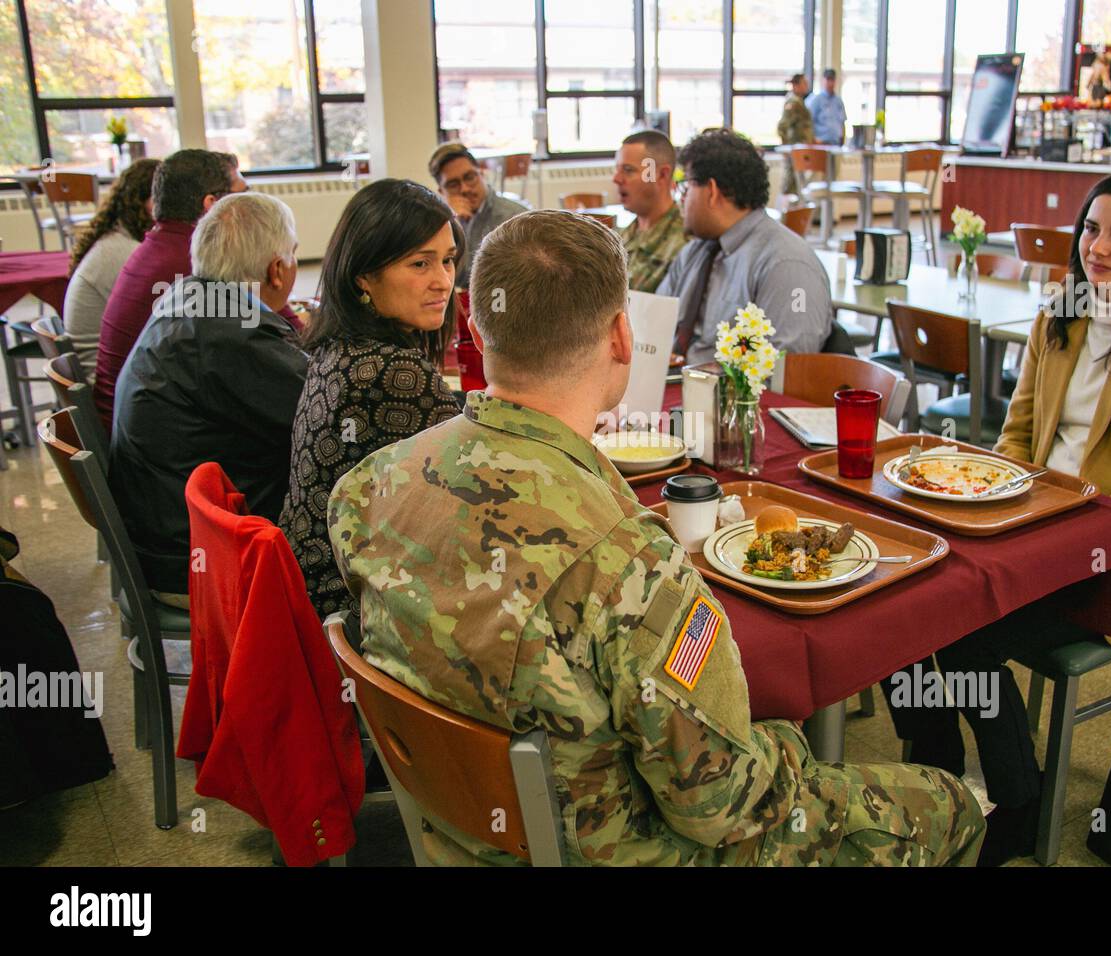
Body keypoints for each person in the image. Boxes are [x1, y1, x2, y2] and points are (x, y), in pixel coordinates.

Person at [329, 209, 985, 867]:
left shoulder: (367, 487)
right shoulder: (634, 569)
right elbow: (721, 807)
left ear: (475, 327)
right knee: (948, 803)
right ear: (621, 336)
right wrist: (788, 739)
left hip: (458, 834)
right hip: (613, 851)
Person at [893, 168, 1111, 865]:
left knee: (968, 636)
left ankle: (1017, 802)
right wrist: (1001, 496)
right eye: (1090, 228)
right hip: (1037, 526)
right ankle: (932, 773)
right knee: (904, 600)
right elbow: (1018, 435)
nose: (1096, 247)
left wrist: (1077, 530)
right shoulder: (1062, 314)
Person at [109, 192, 306, 607]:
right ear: (277, 270)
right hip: (194, 558)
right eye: (294, 255)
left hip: (167, 532)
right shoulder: (231, 335)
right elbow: (323, 412)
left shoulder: (192, 300)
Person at [279, 179, 463, 620]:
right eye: (420, 263)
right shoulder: (391, 374)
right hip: (351, 617)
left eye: (449, 260)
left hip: (310, 592)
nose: (443, 282)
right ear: (364, 274)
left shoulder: (337, 345)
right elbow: (468, 502)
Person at [93, 149, 247, 433]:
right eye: (242, 197)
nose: (250, 209)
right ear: (212, 206)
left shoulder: (155, 248)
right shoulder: (193, 261)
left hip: (128, 425)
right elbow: (270, 341)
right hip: (154, 442)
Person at [656, 128, 833, 364]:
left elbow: (783, 370)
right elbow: (653, 326)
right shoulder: (695, 252)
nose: (681, 198)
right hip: (678, 388)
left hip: (730, 397)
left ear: (712, 191)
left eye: (686, 187)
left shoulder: (786, 265)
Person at [62, 158, 160, 381]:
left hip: (103, 374)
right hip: (108, 385)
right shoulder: (125, 253)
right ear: (145, 202)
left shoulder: (114, 240)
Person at [428, 144, 528, 289]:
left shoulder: (513, 218)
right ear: (442, 192)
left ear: (481, 174)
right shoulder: (447, 221)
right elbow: (452, 277)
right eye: (453, 184)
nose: (465, 189)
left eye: (469, 177)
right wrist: (452, 222)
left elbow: (476, 280)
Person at [612, 129, 687, 293]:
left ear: (662, 175)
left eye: (628, 170)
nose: (616, 179)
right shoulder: (619, 237)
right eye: (617, 169)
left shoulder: (684, 244)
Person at [777, 72, 814, 196]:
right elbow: (782, 127)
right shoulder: (793, 103)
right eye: (804, 83)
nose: (806, 86)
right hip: (794, 149)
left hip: (800, 149)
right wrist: (786, 147)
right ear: (796, 85)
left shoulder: (800, 101)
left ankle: (795, 213)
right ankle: (785, 213)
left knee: (797, 186)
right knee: (790, 184)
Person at [806, 68, 847, 146]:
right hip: (821, 143)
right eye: (828, 80)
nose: (830, 83)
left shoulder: (839, 101)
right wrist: (813, 140)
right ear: (823, 80)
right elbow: (809, 122)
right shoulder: (816, 100)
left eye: (832, 80)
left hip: (836, 143)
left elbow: (842, 123)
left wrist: (842, 141)